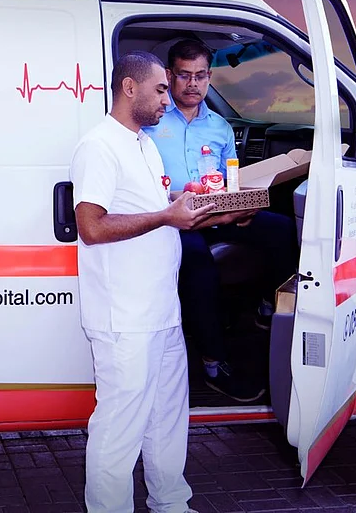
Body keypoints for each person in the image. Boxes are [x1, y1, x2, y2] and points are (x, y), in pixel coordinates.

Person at [70, 50, 253, 513]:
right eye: (158, 89)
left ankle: (170, 504)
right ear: (129, 88)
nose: (166, 99)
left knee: (167, 419)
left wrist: (188, 200)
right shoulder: (99, 146)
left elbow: (155, 204)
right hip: (125, 316)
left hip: (161, 312)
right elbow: (92, 227)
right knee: (119, 427)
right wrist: (165, 215)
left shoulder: (145, 143)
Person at [143, 39, 300, 404]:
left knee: (284, 231)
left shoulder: (220, 127)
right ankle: (214, 363)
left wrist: (239, 207)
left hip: (218, 212)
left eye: (200, 76)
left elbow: (231, 178)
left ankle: (266, 305)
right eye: (184, 75)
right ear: (169, 76)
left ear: (209, 77)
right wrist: (173, 204)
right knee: (198, 265)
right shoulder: (150, 120)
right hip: (174, 219)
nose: (193, 84)